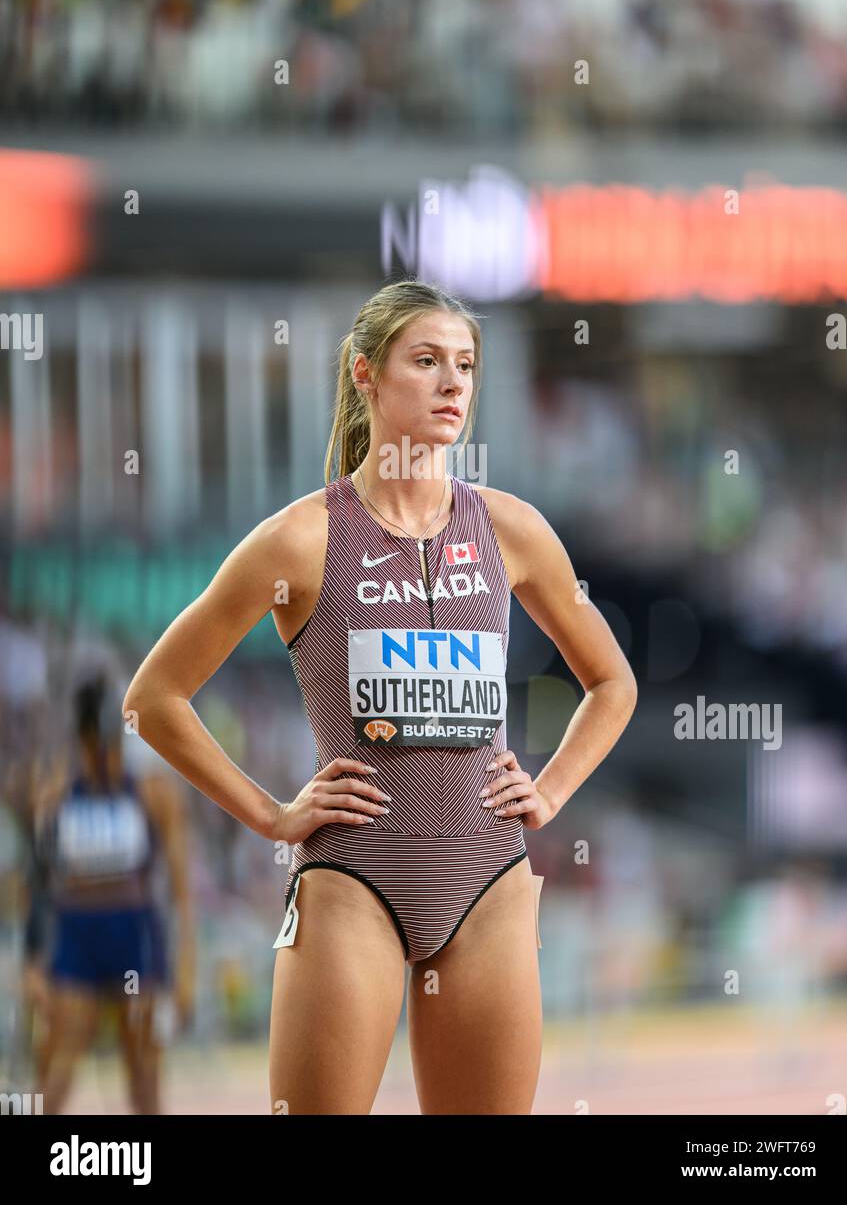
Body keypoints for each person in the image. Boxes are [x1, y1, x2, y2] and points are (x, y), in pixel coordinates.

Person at [123, 279, 637, 1114]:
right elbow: (154, 697)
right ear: (365, 375)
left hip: (488, 883)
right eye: (426, 361)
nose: (452, 384)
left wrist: (550, 790)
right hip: (353, 880)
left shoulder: (511, 529)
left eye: (465, 365)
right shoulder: (301, 537)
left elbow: (613, 683)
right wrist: (269, 813)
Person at [29, 673, 194, 1114]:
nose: (106, 754)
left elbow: (181, 893)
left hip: (135, 937)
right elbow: (39, 885)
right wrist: (33, 966)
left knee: (143, 1074)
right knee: (55, 1069)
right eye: (96, 742)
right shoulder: (56, 794)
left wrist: (185, 969)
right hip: (77, 937)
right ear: (83, 738)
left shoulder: (153, 794)